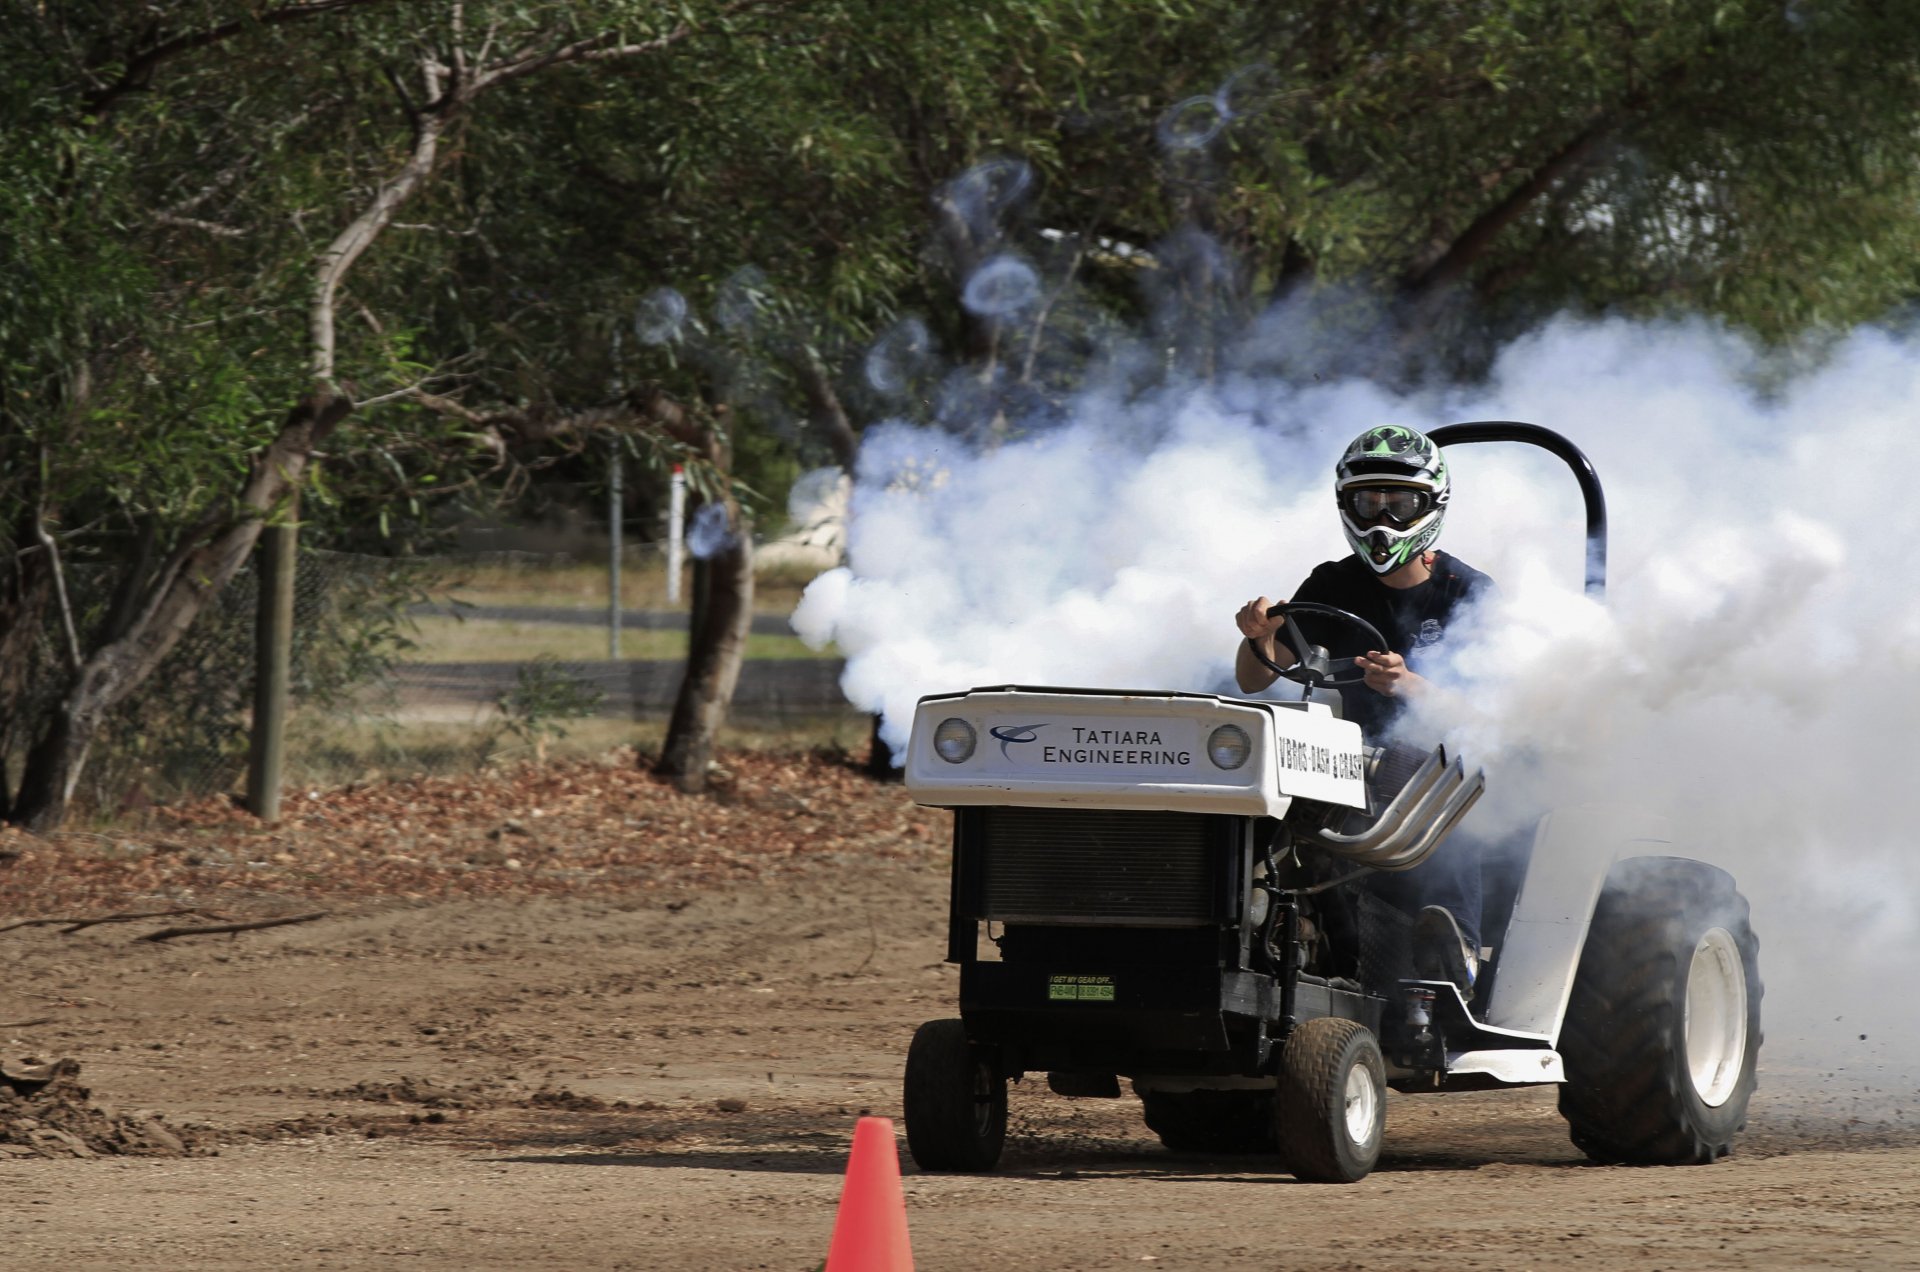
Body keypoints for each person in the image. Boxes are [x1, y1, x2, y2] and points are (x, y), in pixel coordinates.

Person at [1233, 424, 1495, 994]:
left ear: (1430, 506)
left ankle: (1460, 955)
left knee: (1423, 777)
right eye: (1367, 503)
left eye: (1399, 504)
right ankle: (1274, 937)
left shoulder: (1469, 593)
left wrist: (1410, 687)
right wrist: (1258, 636)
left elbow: (1495, 713)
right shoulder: (1332, 584)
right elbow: (1254, 679)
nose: (1382, 520)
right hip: (1348, 764)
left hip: (1447, 764)